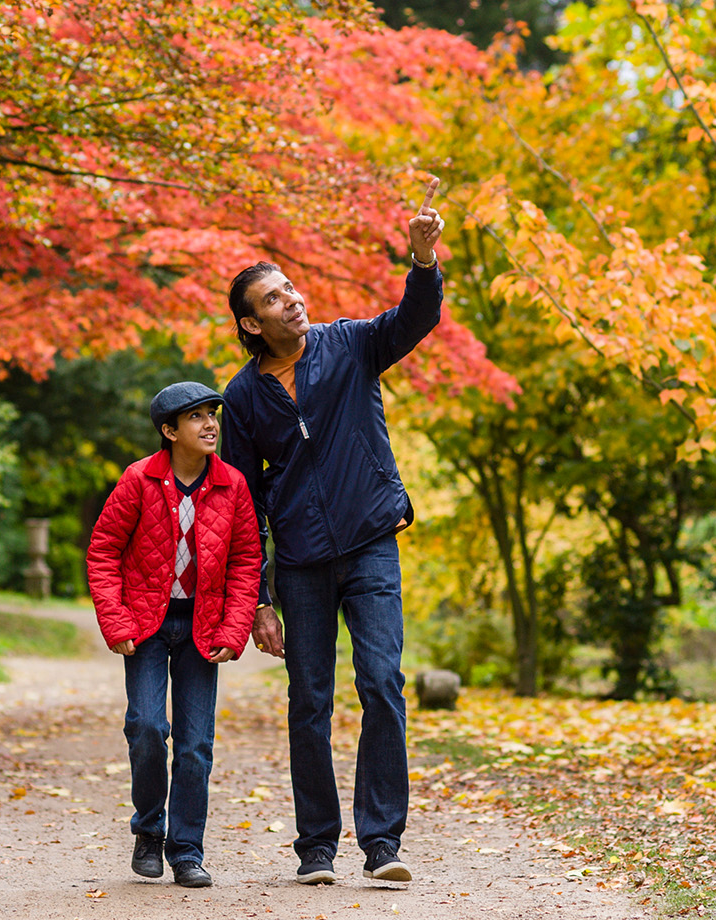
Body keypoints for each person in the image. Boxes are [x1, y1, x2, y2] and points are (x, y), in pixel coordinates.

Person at [220, 181, 446, 884]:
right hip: (301, 563)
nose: (292, 299)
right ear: (252, 323)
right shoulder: (241, 397)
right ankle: (317, 847)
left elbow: (414, 319)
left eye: (291, 288)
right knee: (309, 702)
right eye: (274, 298)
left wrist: (423, 259)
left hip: (371, 541)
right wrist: (259, 600)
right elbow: (242, 503)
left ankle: (382, 845)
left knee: (382, 683)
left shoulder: (349, 345)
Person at [86, 381, 262, 889]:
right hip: (146, 624)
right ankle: (148, 831)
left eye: (213, 415)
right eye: (196, 417)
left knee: (194, 745)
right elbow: (103, 550)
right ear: (169, 431)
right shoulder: (138, 479)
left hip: (203, 628)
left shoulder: (232, 484)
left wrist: (234, 627)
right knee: (146, 728)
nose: (210, 425)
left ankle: (187, 851)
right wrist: (116, 621)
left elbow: (246, 560)